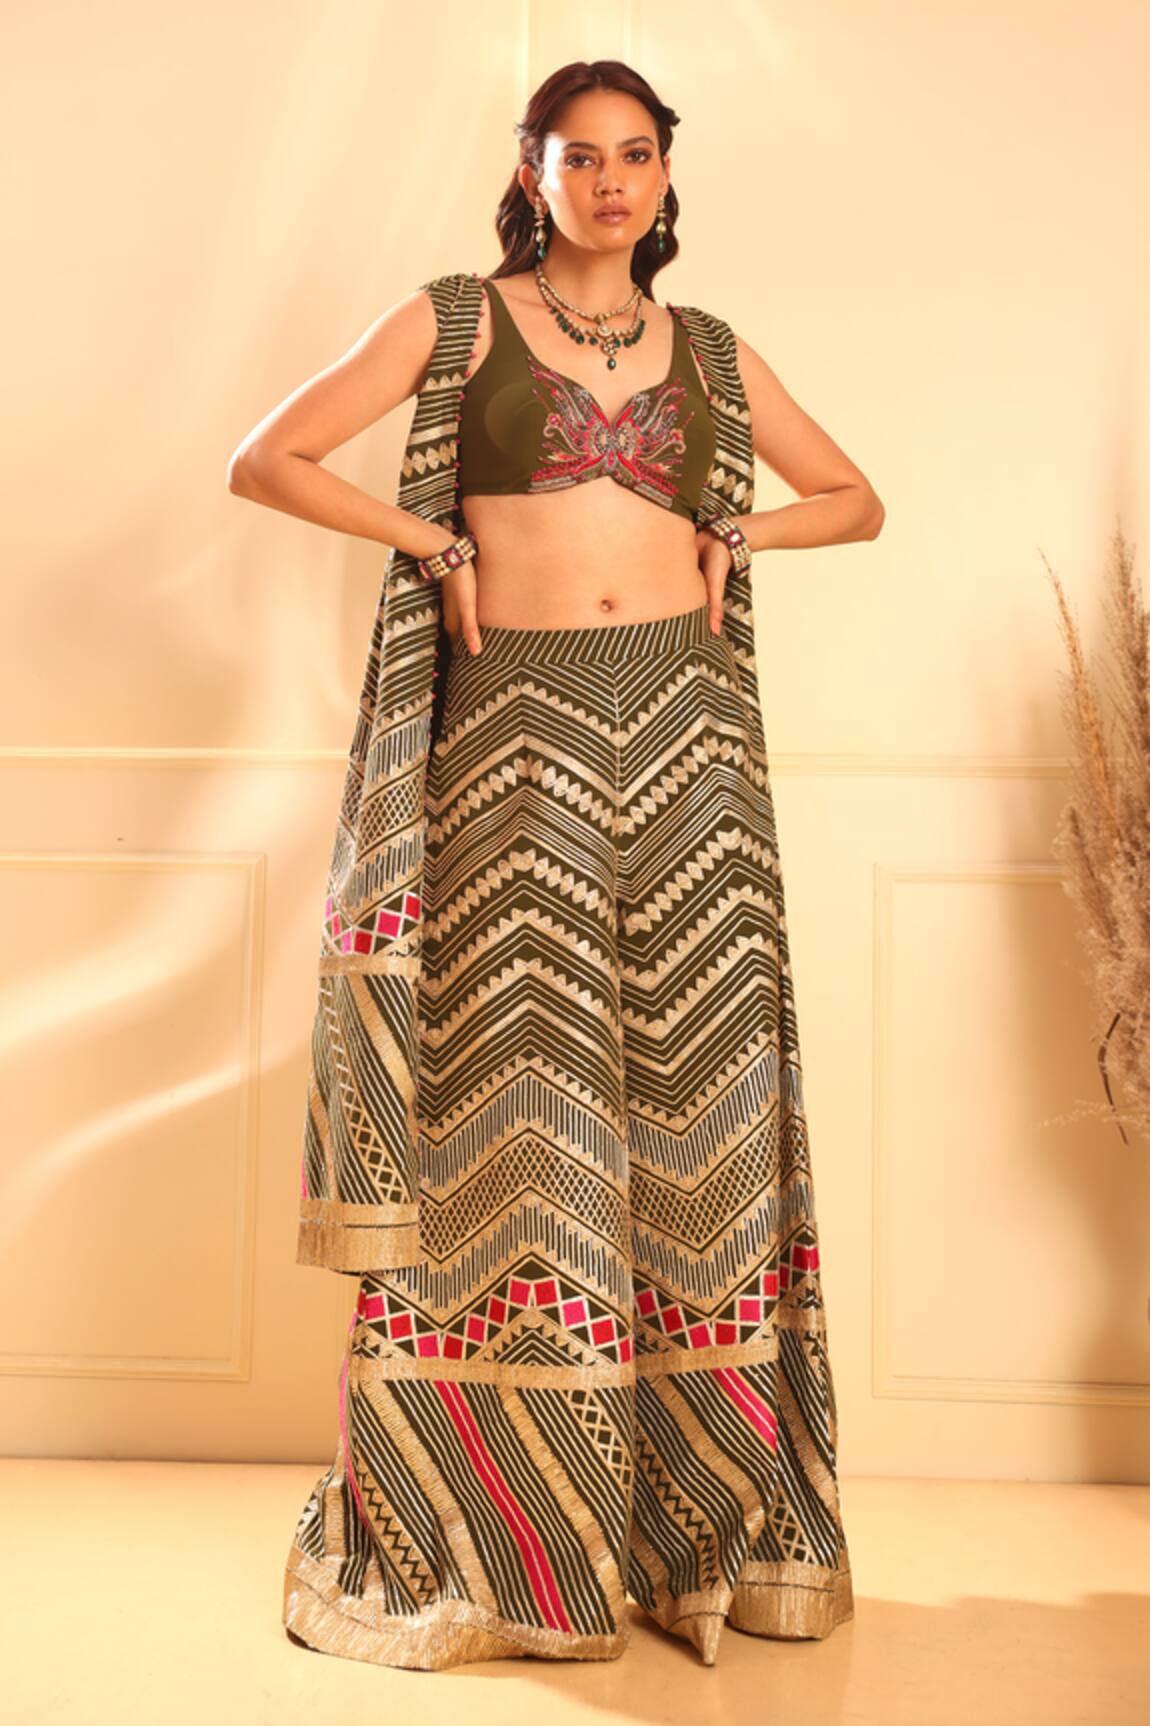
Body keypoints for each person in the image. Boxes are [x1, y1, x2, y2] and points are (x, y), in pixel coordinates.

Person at [229, 58, 883, 1673]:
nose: (608, 181)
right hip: (507, 741)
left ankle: (694, 1531)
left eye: (633, 154)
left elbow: (854, 498)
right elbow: (269, 458)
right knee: (504, 1112)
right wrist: (431, 539)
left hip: (687, 757)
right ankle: (495, 1532)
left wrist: (741, 532)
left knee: (700, 1113)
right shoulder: (455, 321)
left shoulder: (711, 352)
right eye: (576, 156)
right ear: (531, 173)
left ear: (664, 176)